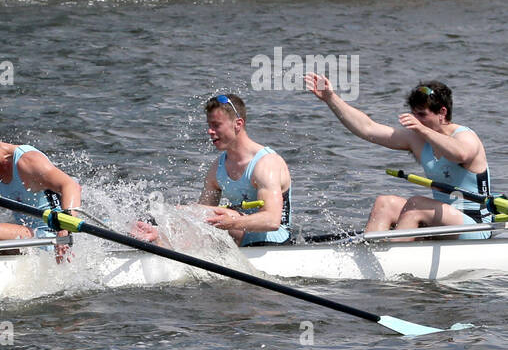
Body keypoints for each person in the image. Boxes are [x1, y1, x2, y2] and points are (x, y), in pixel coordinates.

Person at [305, 73, 490, 238]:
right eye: (414, 114)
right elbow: (367, 128)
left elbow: (460, 154)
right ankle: (370, 257)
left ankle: (393, 257)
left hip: (474, 225)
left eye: (422, 115)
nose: (416, 120)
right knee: (385, 203)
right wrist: (331, 98)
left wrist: (422, 130)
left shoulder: (466, 137)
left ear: (442, 112)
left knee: (416, 204)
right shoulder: (417, 139)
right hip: (442, 220)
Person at [134, 93, 291, 247]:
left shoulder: (267, 164)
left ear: (238, 124)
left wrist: (233, 222)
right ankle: (158, 239)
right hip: (241, 235)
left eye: (216, 125)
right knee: (189, 211)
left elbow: (272, 220)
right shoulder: (218, 168)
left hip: (274, 241)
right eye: (209, 125)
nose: (210, 131)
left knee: (216, 215)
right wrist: (171, 223)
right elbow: (199, 217)